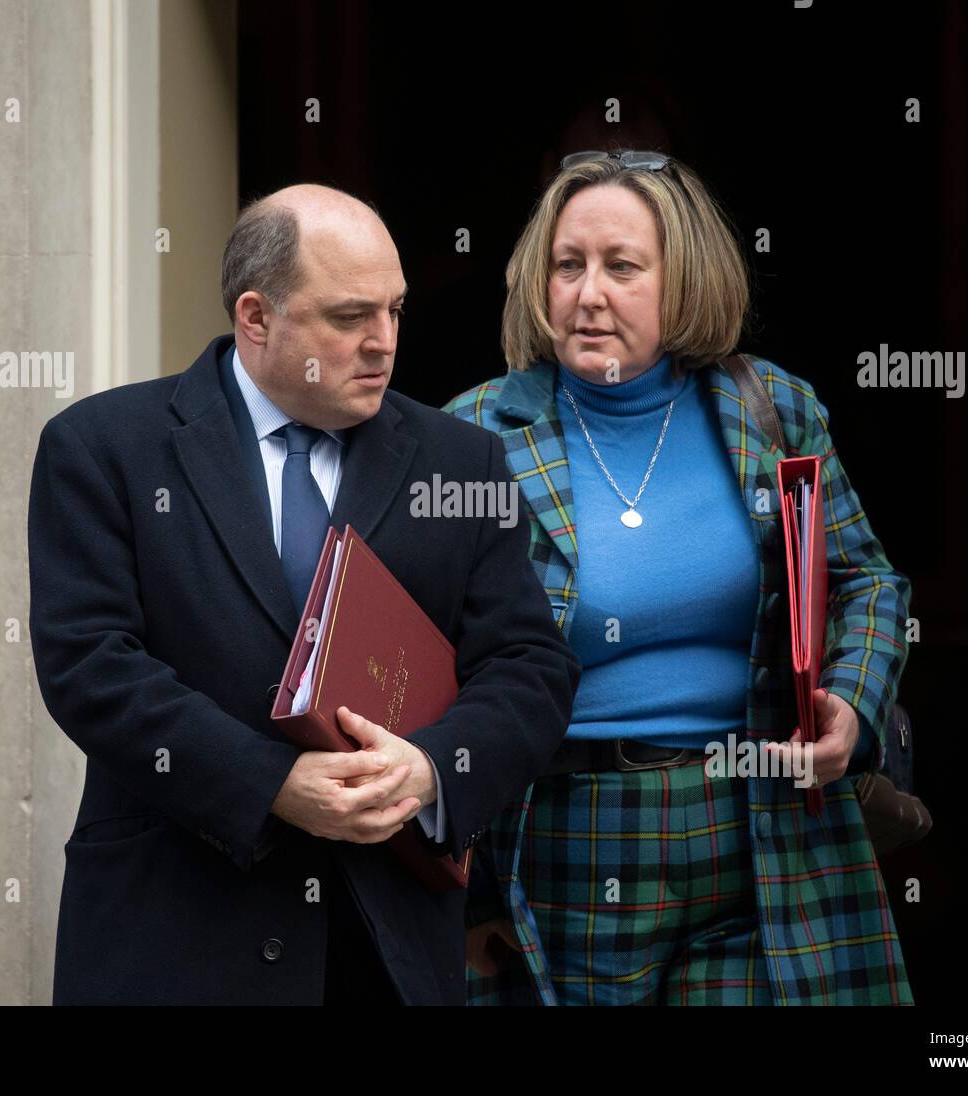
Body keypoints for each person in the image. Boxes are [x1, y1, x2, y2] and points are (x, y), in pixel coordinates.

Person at [28, 184, 579, 1005]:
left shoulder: (461, 464)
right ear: (256, 316)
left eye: (394, 310)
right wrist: (271, 784)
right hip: (174, 929)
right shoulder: (105, 448)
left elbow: (530, 667)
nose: (383, 343)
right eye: (350, 316)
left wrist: (429, 769)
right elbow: (91, 667)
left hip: (382, 940)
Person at [444, 150, 914, 1005]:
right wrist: (456, 878)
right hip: (564, 839)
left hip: (764, 828)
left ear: (684, 282)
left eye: (622, 267)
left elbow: (866, 582)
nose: (588, 294)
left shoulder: (772, 408)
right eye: (567, 265)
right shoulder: (472, 437)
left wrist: (850, 702)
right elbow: (425, 661)